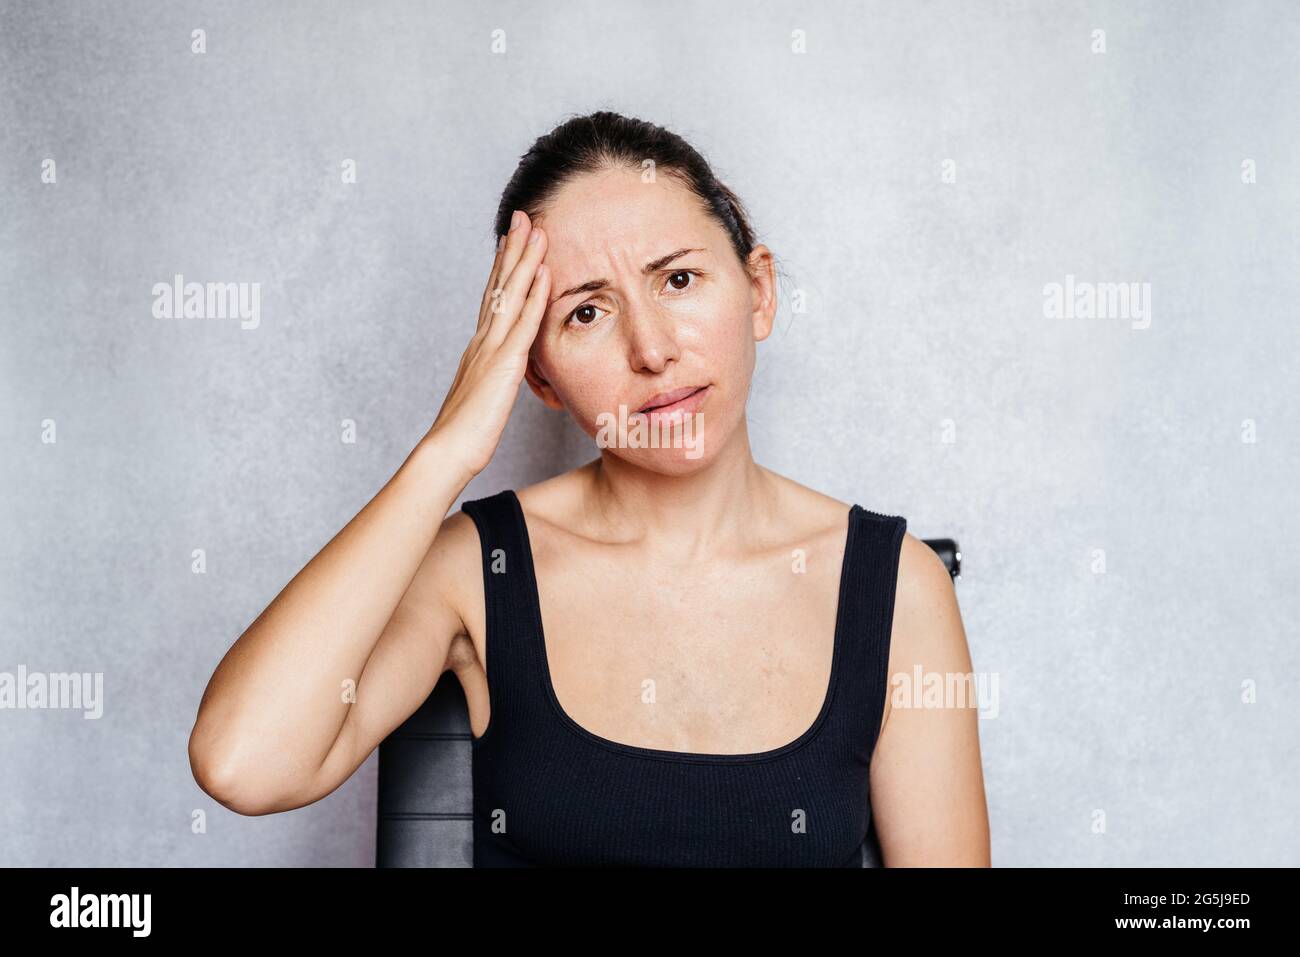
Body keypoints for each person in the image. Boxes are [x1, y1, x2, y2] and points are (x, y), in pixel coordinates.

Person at [188, 110, 990, 867]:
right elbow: (242, 761)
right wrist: (447, 450)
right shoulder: (476, 568)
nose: (651, 349)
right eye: (586, 314)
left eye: (677, 279)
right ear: (535, 375)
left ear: (760, 292)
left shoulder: (898, 585)